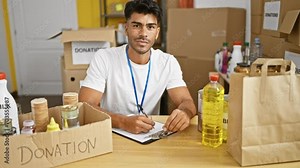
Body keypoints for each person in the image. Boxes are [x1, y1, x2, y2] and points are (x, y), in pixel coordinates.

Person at [79, 0, 196, 134]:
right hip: (111, 132)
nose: (143, 34)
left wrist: (184, 113)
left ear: (157, 32)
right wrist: (122, 122)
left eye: (150, 27)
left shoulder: (168, 62)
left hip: (148, 134)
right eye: (137, 26)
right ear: (126, 29)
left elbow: (186, 101)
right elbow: (85, 105)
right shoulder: (104, 58)